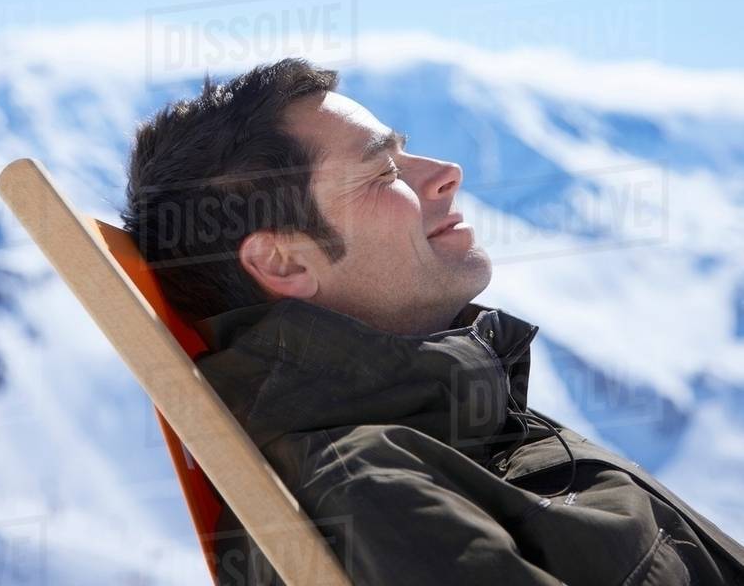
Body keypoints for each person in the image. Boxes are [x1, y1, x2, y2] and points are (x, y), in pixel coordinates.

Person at [122, 58, 744, 585]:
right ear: (283, 261)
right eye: (385, 171)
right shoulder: (372, 490)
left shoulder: (447, 413)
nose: (446, 172)